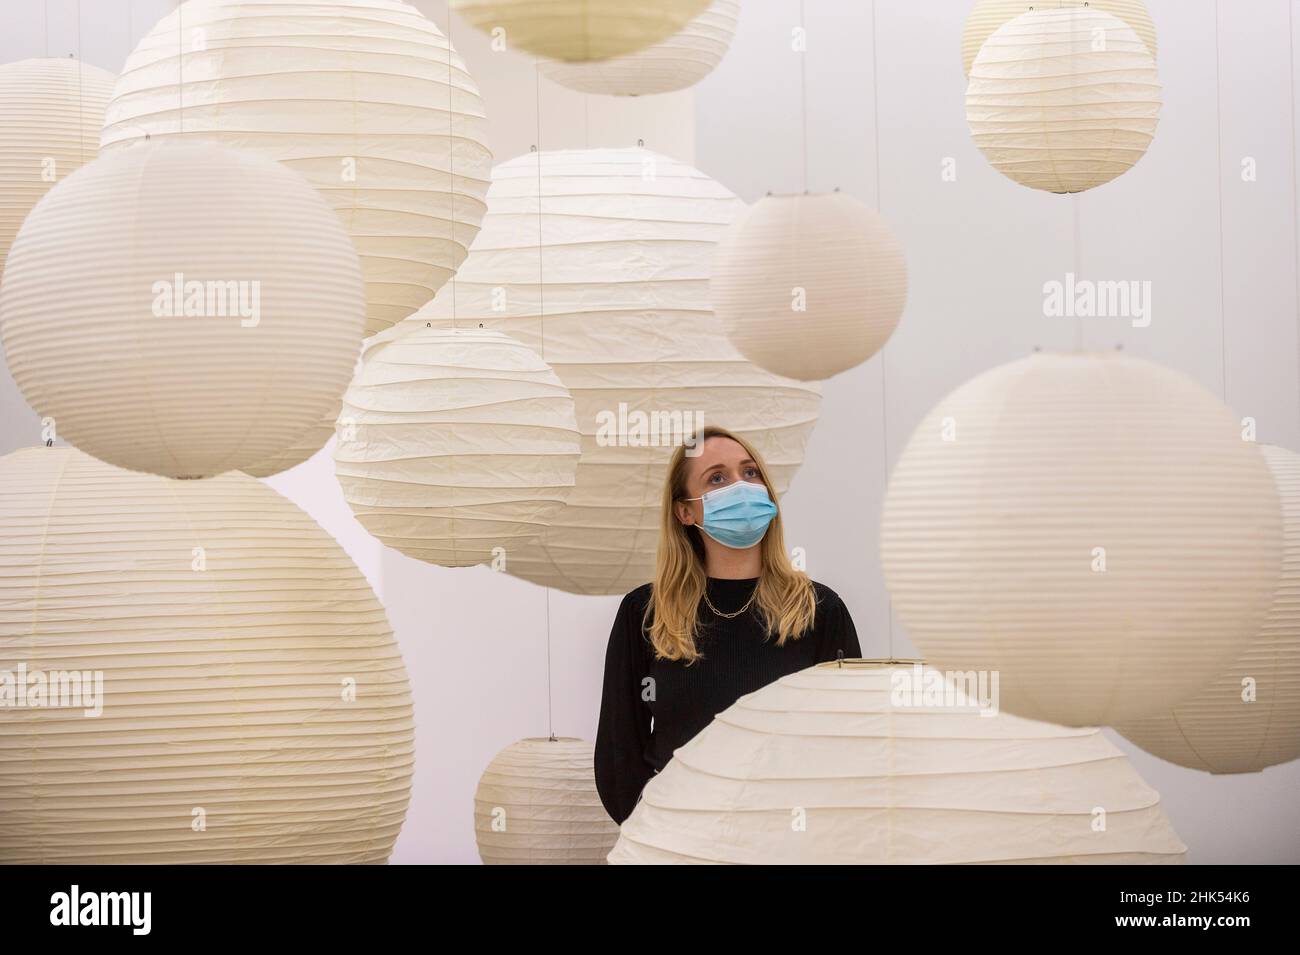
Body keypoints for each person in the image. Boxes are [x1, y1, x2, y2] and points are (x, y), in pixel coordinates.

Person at [594, 424, 862, 825]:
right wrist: (654, 832)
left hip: (787, 838)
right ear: (685, 511)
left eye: (750, 472)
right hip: (677, 838)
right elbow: (619, 754)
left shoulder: (819, 610)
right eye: (717, 478)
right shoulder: (644, 612)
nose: (741, 486)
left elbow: (849, 743)